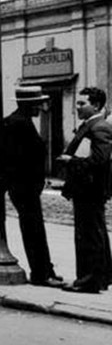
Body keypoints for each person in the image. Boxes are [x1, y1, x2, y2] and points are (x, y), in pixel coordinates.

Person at [0, 86, 64, 287]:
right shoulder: (19, 124)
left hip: (24, 185)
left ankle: (45, 270)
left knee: (34, 228)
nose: (41, 106)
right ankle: (41, 273)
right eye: (38, 103)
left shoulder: (19, 121)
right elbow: (19, 158)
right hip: (24, 186)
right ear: (29, 104)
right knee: (34, 228)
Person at [56, 86, 112, 294]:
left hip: (89, 189)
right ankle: (100, 277)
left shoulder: (99, 127)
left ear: (96, 105)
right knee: (95, 232)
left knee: (88, 235)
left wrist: (72, 161)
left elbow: (99, 160)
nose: (77, 107)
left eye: (82, 103)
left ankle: (88, 281)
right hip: (87, 189)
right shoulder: (91, 125)